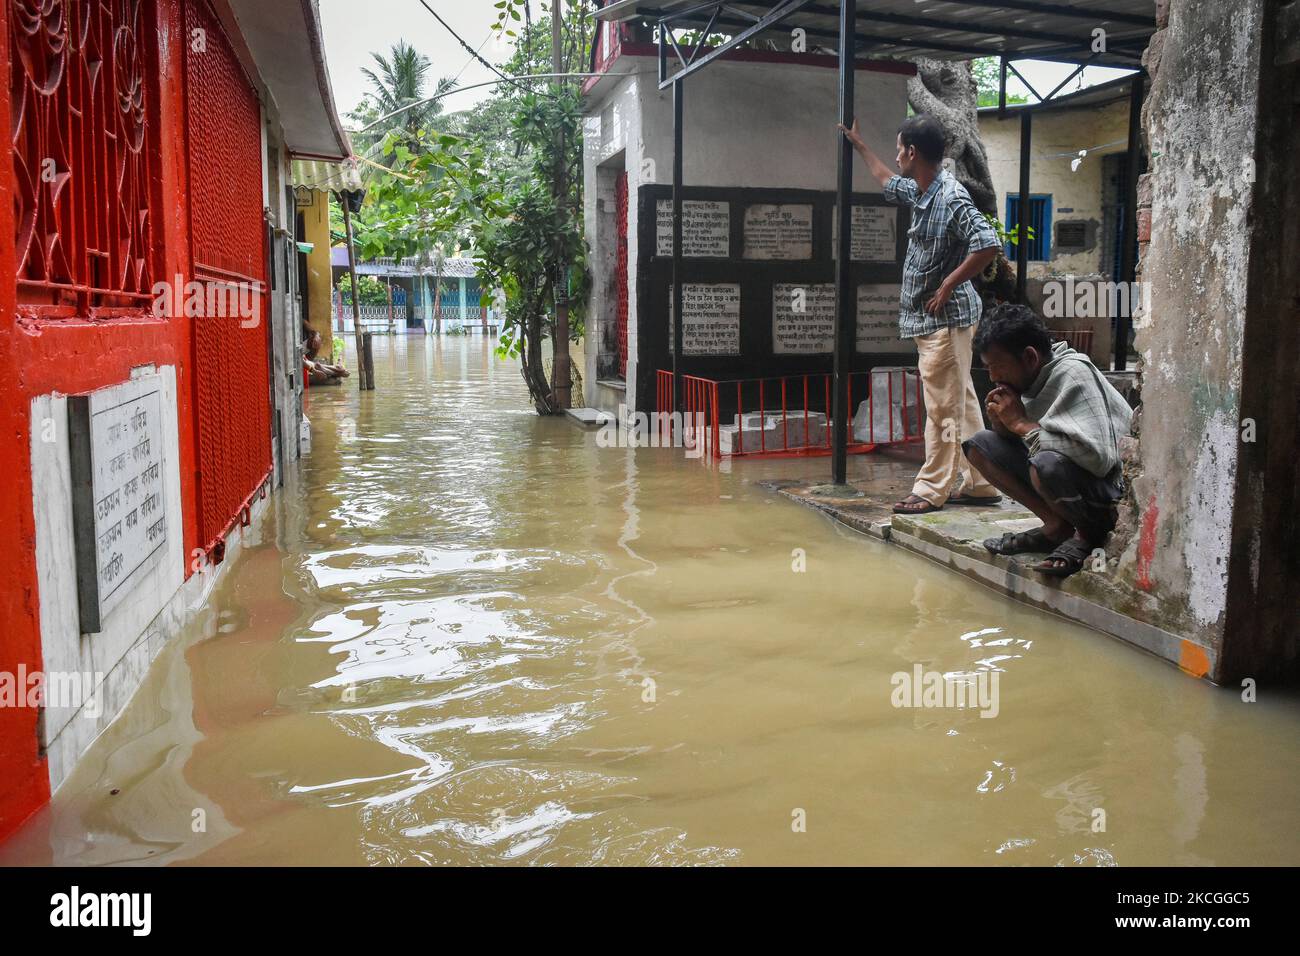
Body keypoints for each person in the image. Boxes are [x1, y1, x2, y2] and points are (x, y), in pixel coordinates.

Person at [839, 114, 1003, 514]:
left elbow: (987, 243)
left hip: (945, 322)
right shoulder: (922, 191)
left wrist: (948, 283)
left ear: (912, 152)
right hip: (937, 322)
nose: (896, 157)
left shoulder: (950, 196)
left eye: (898, 149)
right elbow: (887, 182)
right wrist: (860, 145)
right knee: (961, 403)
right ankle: (982, 483)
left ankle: (931, 489)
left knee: (942, 409)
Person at [962, 304, 1134, 578]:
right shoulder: (1031, 382)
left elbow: (1098, 459)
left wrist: (1020, 423)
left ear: (1030, 357)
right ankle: (1056, 526)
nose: (994, 377)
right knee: (979, 445)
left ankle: (1088, 535)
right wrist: (1002, 421)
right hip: (1069, 479)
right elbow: (1017, 440)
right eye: (988, 368)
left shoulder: (1074, 374)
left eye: (998, 367)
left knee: (1045, 464)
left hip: (1109, 494)